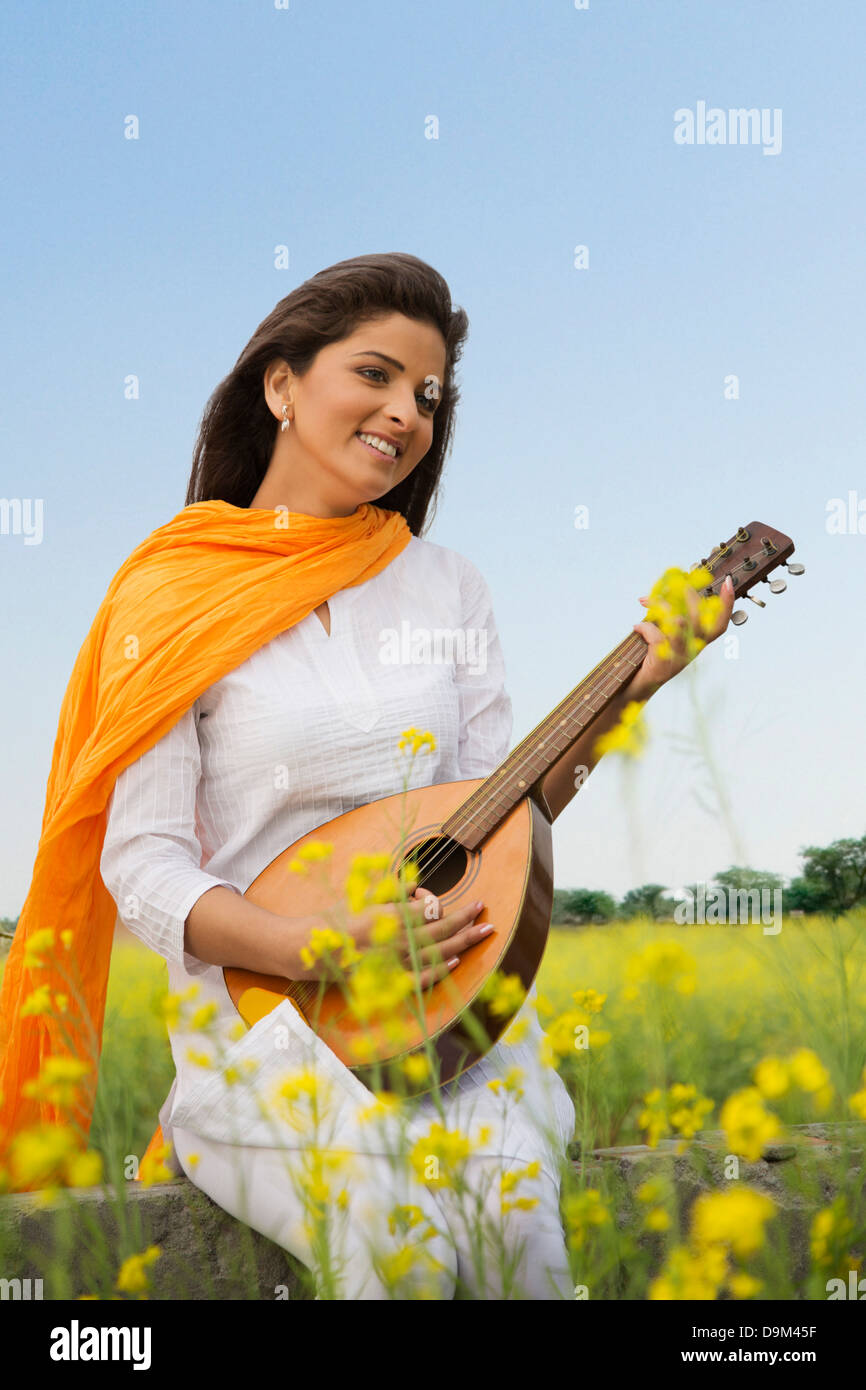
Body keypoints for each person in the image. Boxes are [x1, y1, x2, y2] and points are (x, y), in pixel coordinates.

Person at [1, 252, 734, 1299]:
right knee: (406, 1252)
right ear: (281, 383)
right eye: (376, 374)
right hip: (264, 1037)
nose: (406, 412)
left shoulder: (444, 584)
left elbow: (500, 814)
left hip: (455, 1021)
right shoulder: (168, 593)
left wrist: (639, 680)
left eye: (428, 396)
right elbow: (146, 865)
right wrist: (314, 946)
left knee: (522, 1249)